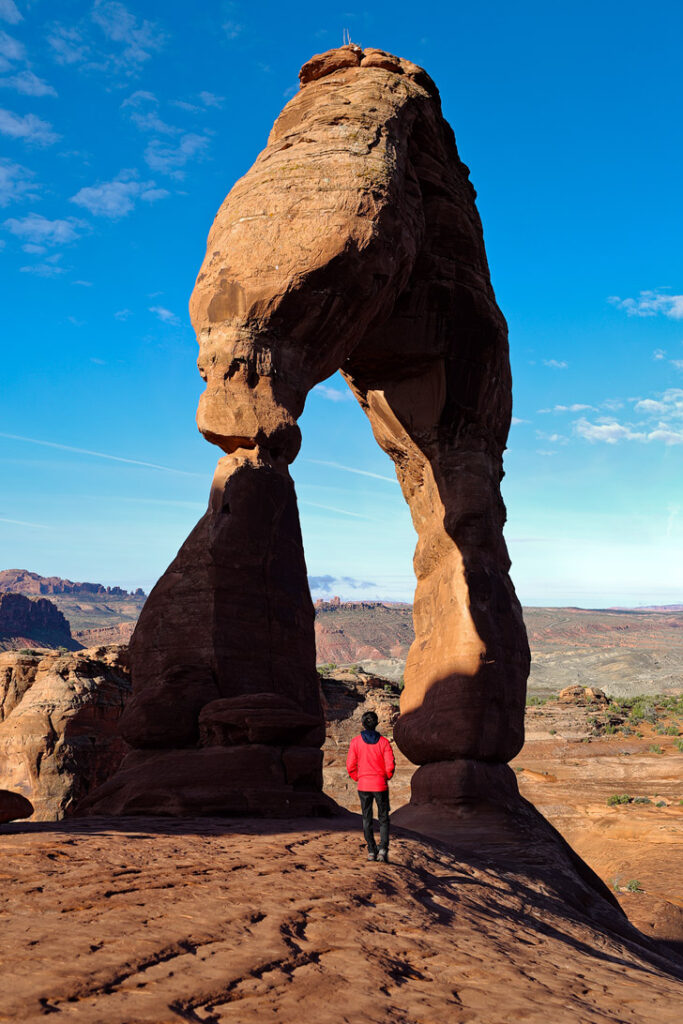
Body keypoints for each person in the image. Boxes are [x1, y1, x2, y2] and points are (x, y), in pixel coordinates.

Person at [346, 710, 396, 862]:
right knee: (383, 819)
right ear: (376, 724)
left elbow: (350, 765)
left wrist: (358, 778)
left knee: (366, 819)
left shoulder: (355, 742)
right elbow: (390, 765)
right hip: (380, 785)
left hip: (364, 785)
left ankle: (371, 851)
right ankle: (382, 850)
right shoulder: (384, 742)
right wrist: (384, 777)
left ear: (362, 723)